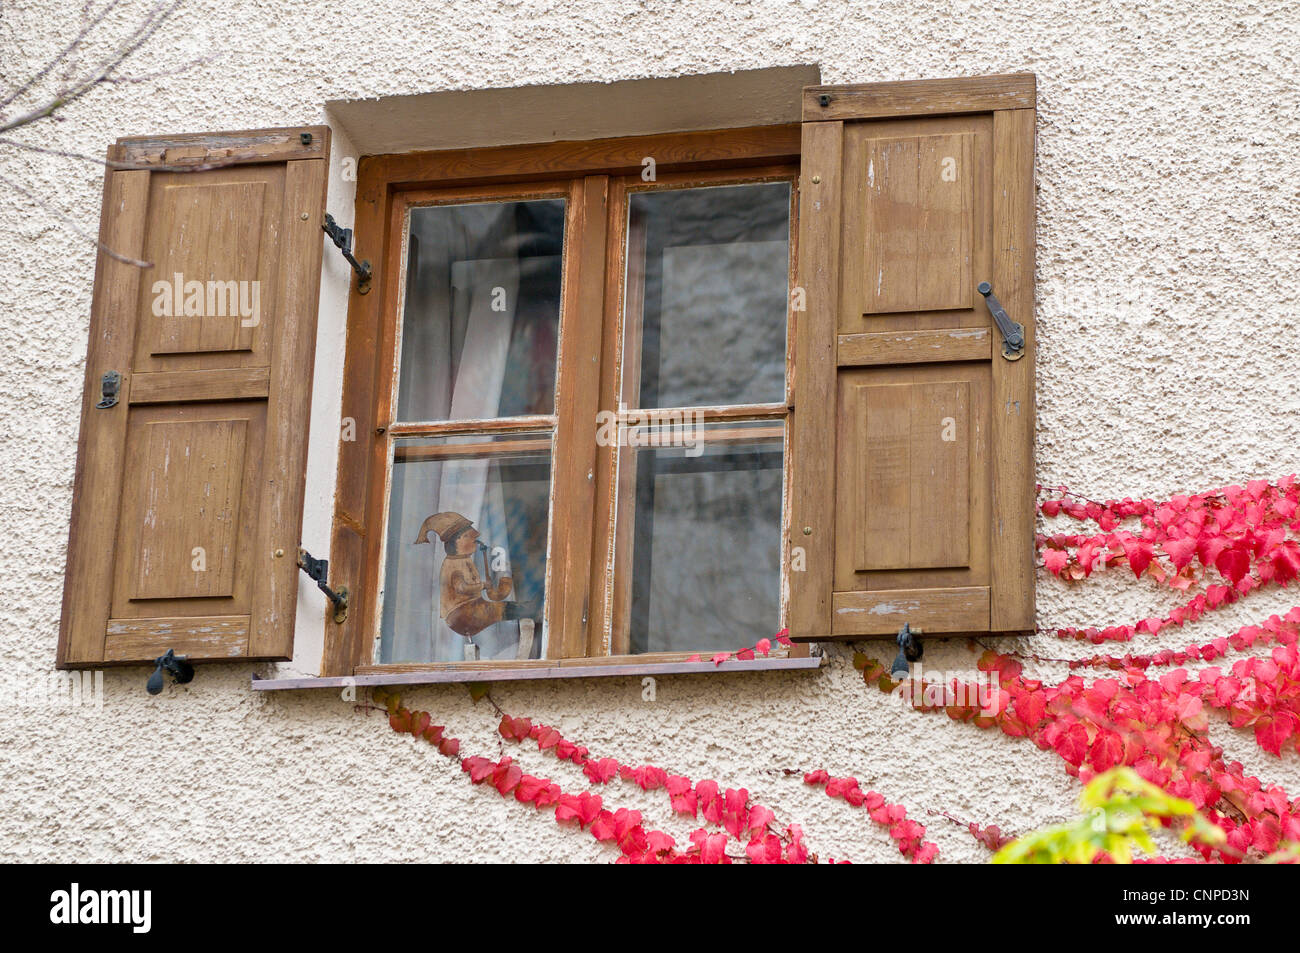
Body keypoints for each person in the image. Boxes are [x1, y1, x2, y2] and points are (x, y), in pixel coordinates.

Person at [414, 511, 528, 639]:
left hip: (473, 607)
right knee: (503, 609)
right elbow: (461, 587)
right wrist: (483, 586)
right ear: (456, 542)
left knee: (505, 608)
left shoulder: (464, 559)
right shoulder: (454, 564)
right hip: (462, 613)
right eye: (467, 536)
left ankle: (526, 610)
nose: (474, 538)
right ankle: (527, 610)